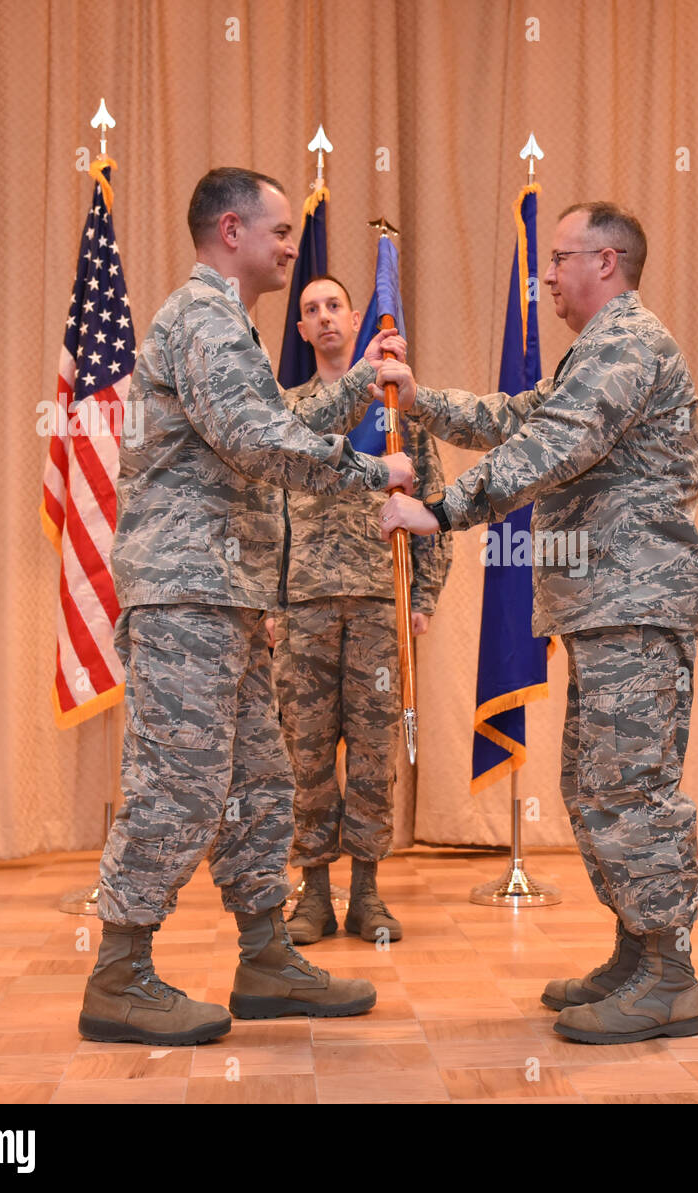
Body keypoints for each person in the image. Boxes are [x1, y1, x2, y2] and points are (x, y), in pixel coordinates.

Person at [78, 167, 417, 1046]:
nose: (290, 246)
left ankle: (265, 954)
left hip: (227, 600)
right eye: (278, 232)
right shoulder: (200, 318)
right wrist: (372, 469)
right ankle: (118, 974)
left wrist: (363, 380)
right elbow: (261, 439)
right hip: (186, 593)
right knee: (179, 784)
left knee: (259, 783)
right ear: (231, 231)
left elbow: (278, 419)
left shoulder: (230, 327)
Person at [380, 202, 698, 1045]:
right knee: (595, 785)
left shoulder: (628, 344)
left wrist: (442, 509)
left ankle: (670, 975)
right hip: (604, 603)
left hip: (636, 600)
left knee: (629, 788)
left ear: (606, 261)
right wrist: (423, 402)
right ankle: (636, 953)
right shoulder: (591, 355)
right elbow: (517, 417)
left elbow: (551, 447)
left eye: (558, 258)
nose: (547, 275)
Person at [276, 276, 451, 945]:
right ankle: (314, 894)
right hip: (303, 607)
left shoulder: (391, 405)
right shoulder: (285, 409)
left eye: (332, 308)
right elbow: (265, 505)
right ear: (301, 330)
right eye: (309, 311)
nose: (323, 319)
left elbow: (433, 503)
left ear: (356, 320)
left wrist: (425, 595)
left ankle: (369, 894)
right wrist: (267, 600)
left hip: (381, 604)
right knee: (308, 755)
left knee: (376, 754)